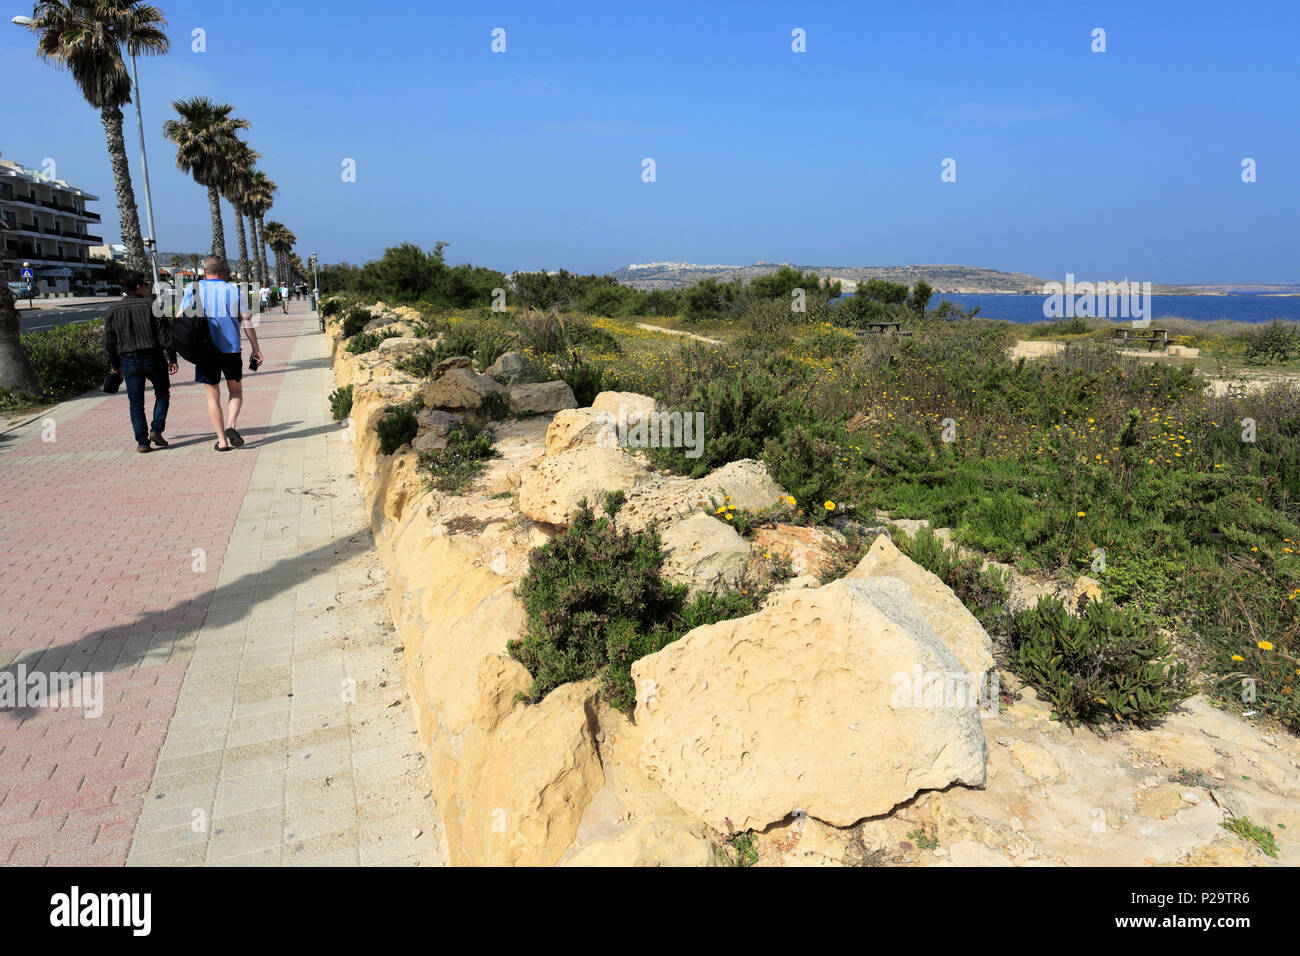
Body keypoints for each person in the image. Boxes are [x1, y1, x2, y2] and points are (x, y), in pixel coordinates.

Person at [180, 256, 263, 452]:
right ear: (224, 272)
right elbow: (247, 322)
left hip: (204, 350)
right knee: (235, 392)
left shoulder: (193, 289)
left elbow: (180, 318)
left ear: (204, 271)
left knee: (212, 397)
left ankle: (222, 441)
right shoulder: (233, 290)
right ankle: (231, 425)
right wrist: (255, 348)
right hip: (231, 349)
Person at [104, 271, 178, 454]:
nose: (147, 288)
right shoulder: (151, 306)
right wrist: (172, 357)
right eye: (145, 285)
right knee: (162, 393)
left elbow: (109, 342)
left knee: (135, 403)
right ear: (138, 287)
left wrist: (114, 365)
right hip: (153, 357)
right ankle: (156, 429)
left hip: (128, 360)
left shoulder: (113, 310)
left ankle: (142, 442)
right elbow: (165, 336)